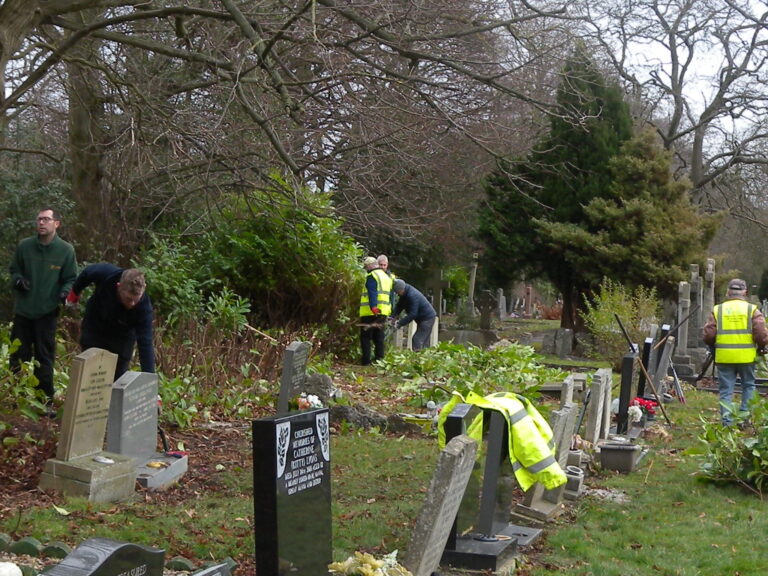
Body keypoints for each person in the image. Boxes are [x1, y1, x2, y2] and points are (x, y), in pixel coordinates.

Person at [9, 208, 78, 405]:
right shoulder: (25, 246)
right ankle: (16, 397)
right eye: (39, 219)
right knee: (18, 357)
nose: (41, 223)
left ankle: (44, 400)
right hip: (23, 311)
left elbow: (71, 278)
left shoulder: (66, 250)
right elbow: (14, 270)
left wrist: (65, 293)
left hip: (47, 313)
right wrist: (18, 281)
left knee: (44, 358)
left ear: (56, 223)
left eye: (46, 219)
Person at [66, 263, 155, 381]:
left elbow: (145, 343)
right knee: (90, 373)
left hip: (122, 337)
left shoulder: (144, 309)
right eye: (128, 299)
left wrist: (151, 382)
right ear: (119, 286)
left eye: (136, 300)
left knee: (116, 379)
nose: (132, 304)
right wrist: (74, 294)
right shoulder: (106, 274)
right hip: (95, 325)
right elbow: (86, 274)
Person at [702, 278, 768, 425]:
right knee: (748, 385)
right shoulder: (752, 310)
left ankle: (727, 421)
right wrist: (762, 346)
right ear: (745, 292)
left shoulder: (718, 310)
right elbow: (761, 334)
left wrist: (714, 345)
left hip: (724, 357)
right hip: (746, 357)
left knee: (726, 389)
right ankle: (745, 418)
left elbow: (708, 335)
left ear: (728, 292)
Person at [359, 256, 393, 365]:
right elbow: (390, 295)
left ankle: (366, 361)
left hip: (371, 311)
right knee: (379, 336)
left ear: (369, 266)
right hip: (383, 311)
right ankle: (379, 359)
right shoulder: (386, 277)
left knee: (365, 336)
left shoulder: (372, 276)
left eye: (366, 267)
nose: (366, 270)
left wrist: (373, 307)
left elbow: (372, 292)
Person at [391, 278, 437, 351]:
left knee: (417, 339)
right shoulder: (405, 293)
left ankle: (418, 358)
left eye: (398, 292)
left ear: (402, 289)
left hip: (427, 318)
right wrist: (392, 316)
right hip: (422, 318)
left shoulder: (412, 295)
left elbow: (413, 314)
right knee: (423, 341)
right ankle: (424, 357)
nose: (397, 294)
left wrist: (399, 323)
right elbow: (399, 306)